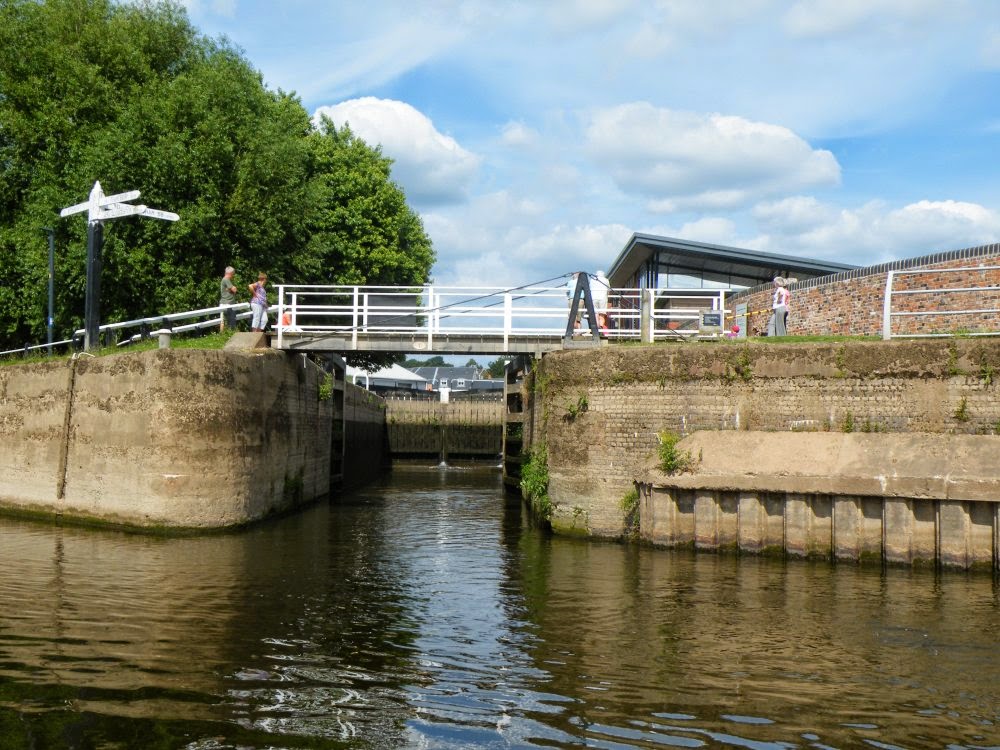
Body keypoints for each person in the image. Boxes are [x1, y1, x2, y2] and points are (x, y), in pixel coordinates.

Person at [219, 266, 238, 331]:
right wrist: (233, 288)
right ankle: (229, 334)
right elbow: (234, 290)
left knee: (223, 321)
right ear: (231, 273)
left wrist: (230, 289)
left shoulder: (225, 280)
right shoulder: (226, 279)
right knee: (231, 321)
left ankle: (223, 335)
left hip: (225, 303)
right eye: (233, 273)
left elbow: (232, 289)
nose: (233, 275)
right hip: (228, 303)